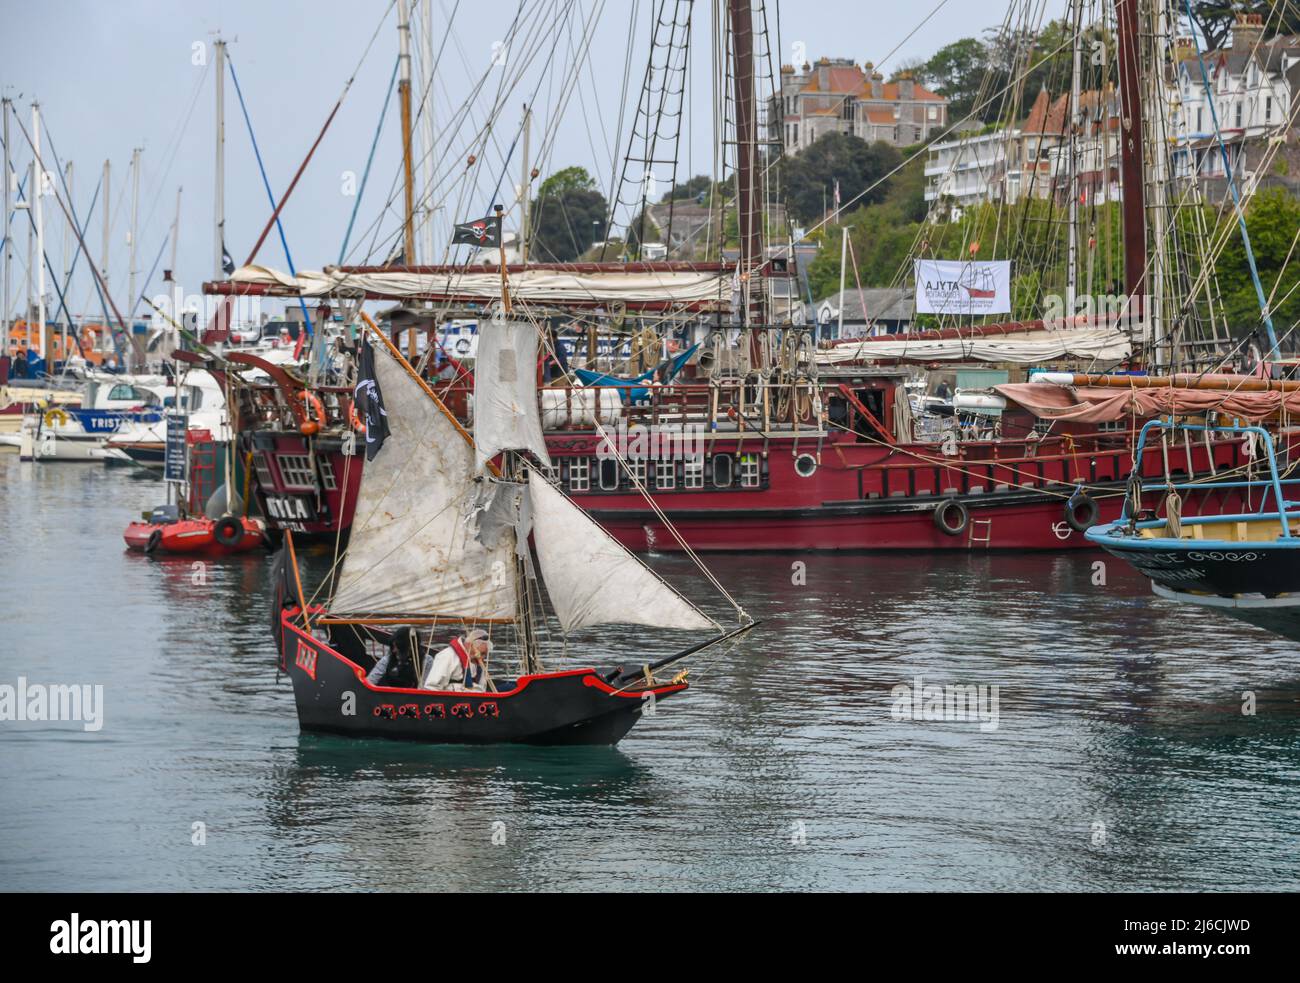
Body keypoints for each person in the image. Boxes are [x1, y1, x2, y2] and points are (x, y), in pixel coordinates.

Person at [422, 628, 492, 692]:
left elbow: (483, 686)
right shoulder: (447, 656)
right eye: (482, 653)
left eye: (485, 654)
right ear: (470, 645)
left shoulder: (478, 661)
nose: (482, 657)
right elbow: (431, 687)